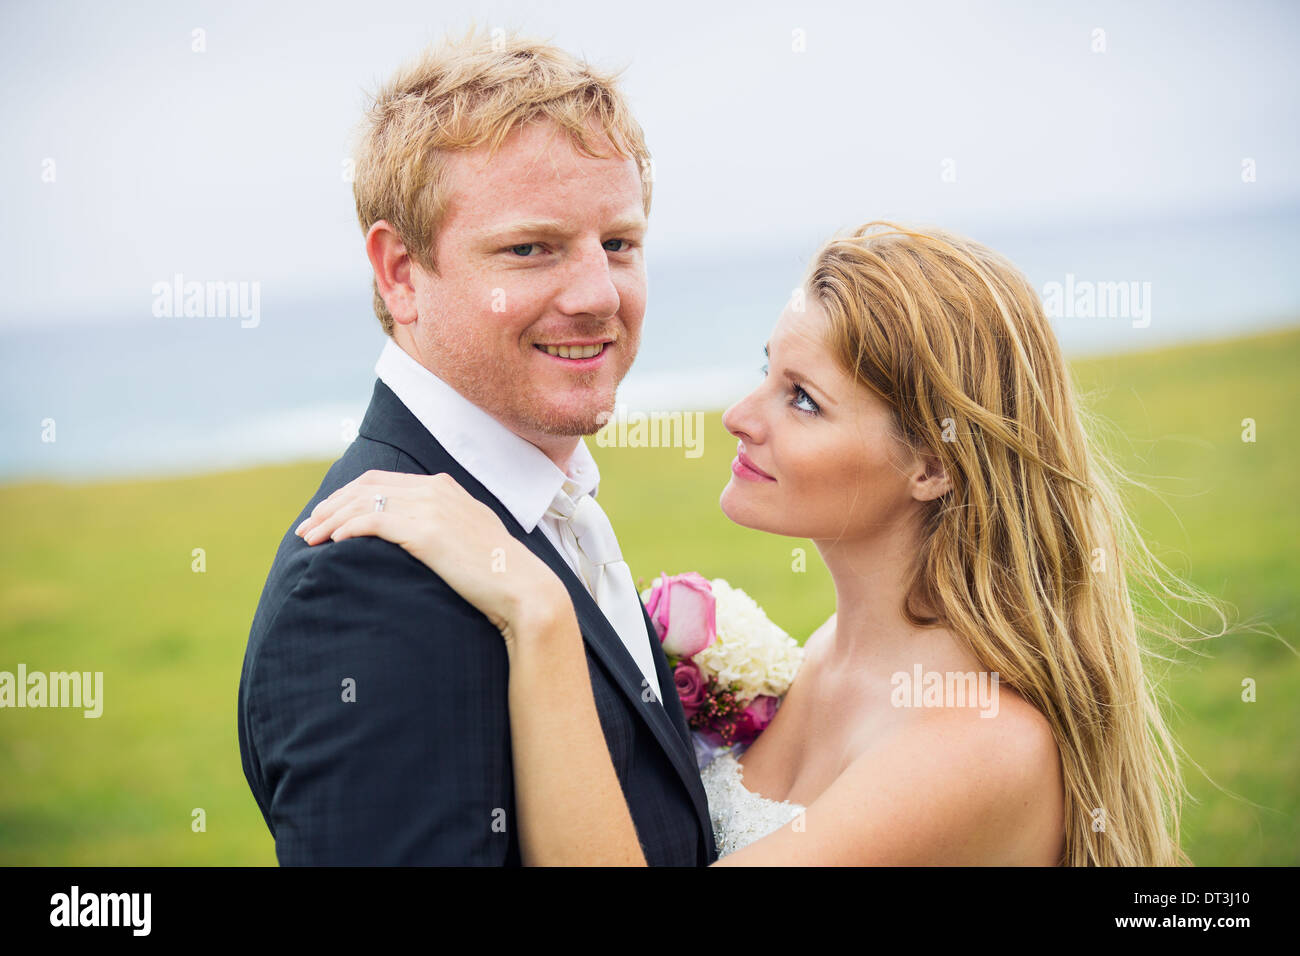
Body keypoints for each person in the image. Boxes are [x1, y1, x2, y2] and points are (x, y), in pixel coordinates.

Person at [299, 222, 1223, 865]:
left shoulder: (978, 747)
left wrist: (538, 609)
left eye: (804, 400)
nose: (742, 419)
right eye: (764, 377)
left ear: (933, 467)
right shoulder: (822, 659)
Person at [238, 28, 715, 865]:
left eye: (619, 244)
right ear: (400, 272)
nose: (599, 296)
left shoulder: (541, 504)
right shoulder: (365, 585)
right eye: (530, 249)